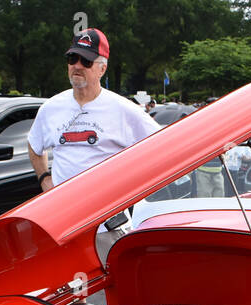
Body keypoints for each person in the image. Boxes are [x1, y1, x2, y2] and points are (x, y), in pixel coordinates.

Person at [27, 28, 160, 192]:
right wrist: (44, 178)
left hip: (108, 211)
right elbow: (34, 145)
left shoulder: (125, 110)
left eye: (86, 61)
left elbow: (162, 145)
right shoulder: (51, 108)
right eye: (72, 58)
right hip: (63, 211)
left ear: (102, 69)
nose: (77, 66)